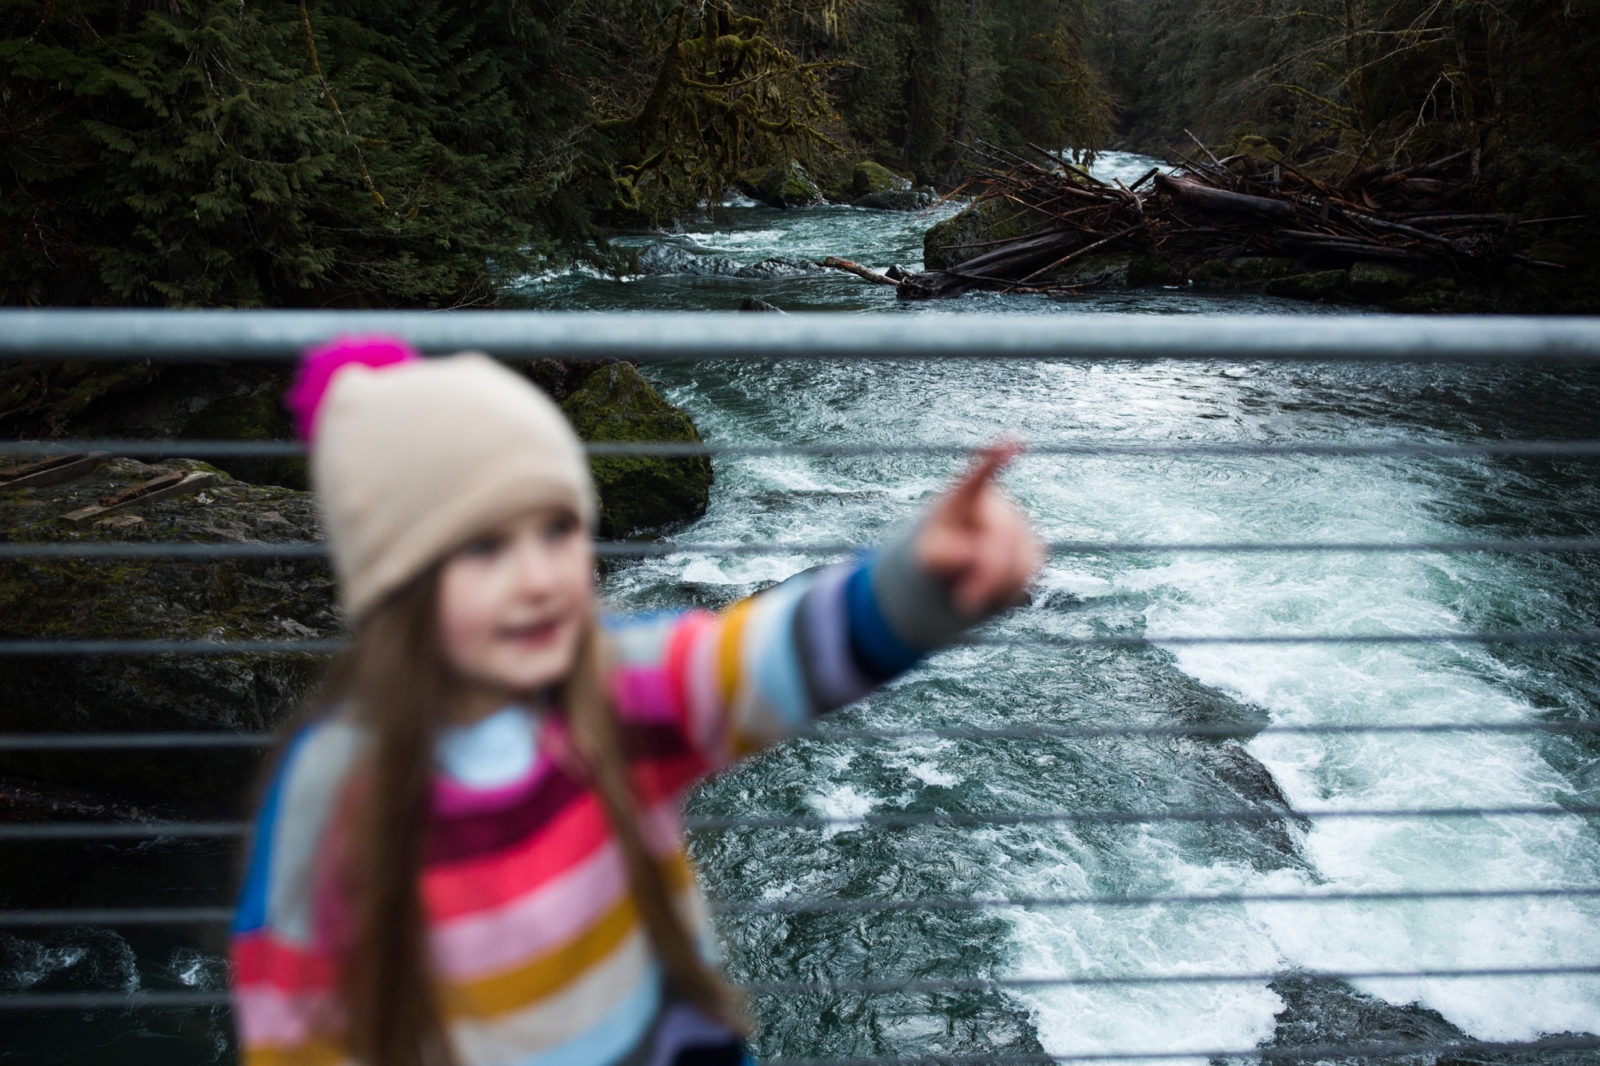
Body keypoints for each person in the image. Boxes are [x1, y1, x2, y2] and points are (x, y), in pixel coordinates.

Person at [229, 336, 1043, 1066]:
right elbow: (298, 1023)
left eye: (556, 529)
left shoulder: (614, 686)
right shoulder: (339, 785)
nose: (540, 578)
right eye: (483, 546)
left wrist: (919, 581)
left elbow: (766, 656)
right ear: (393, 581)